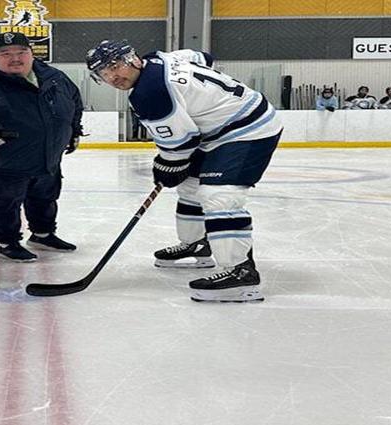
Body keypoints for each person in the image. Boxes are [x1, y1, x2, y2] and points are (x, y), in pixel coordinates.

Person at [86, 39, 280, 302]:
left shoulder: (150, 92)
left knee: (219, 195)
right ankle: (198, 245)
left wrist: (165, 166)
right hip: (219, 129)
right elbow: (204, 57)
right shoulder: (159, 58)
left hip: (249, 128)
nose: (112, 77)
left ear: (131, 58)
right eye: (103, 73)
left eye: (115, 66)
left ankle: (240, 273)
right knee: (189, 185)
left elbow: (180, 143)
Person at [0, 32, 84, 262]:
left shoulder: (54, 77)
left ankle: (42, 235)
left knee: (45, 196)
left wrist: (73, 131)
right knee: (3, 201)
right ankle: (8, 241)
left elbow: (73, 102)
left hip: (46, 155)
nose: (15, 58)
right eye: (6, 54)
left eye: (21, 52)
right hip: (1, 160)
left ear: (31, 54)